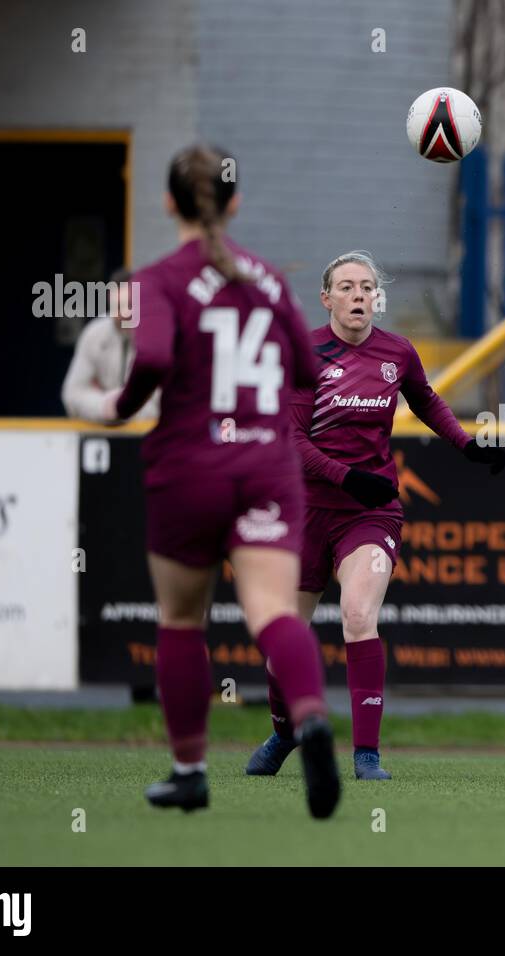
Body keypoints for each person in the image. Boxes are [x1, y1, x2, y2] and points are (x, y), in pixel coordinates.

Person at [104, 143, 339, 818]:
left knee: (181, 619)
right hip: (267, 465)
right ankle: (313, 720)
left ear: (168, 202)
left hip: (190, 463)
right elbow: (309, 369)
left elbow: (149, 355)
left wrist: (119, 408)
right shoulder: (266, 278)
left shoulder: (158, 279)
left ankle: (189, 772)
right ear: (234, 203)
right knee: (270, 612)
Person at [245, 250, 505, 781]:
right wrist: (344, 476)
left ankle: (367, 756)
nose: (359, 295)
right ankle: (283, 732)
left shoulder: (398, 352)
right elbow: (292, 440)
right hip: (306, 511)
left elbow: (427, 401)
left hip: (370, 512)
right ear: (327, 299)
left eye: (366, 287)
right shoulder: (305, 352)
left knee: (359, 615)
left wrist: (466, 445)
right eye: (346, 287)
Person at [61, 268, 160, 422]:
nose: (125, 312)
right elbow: (72, 395)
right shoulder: (94, 334)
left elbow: (164, 402)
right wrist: (106, 406)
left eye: (130, 304)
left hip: (148, 435)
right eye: (119, 305)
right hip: (103, 433)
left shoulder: (159, 336)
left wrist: (122, 408)